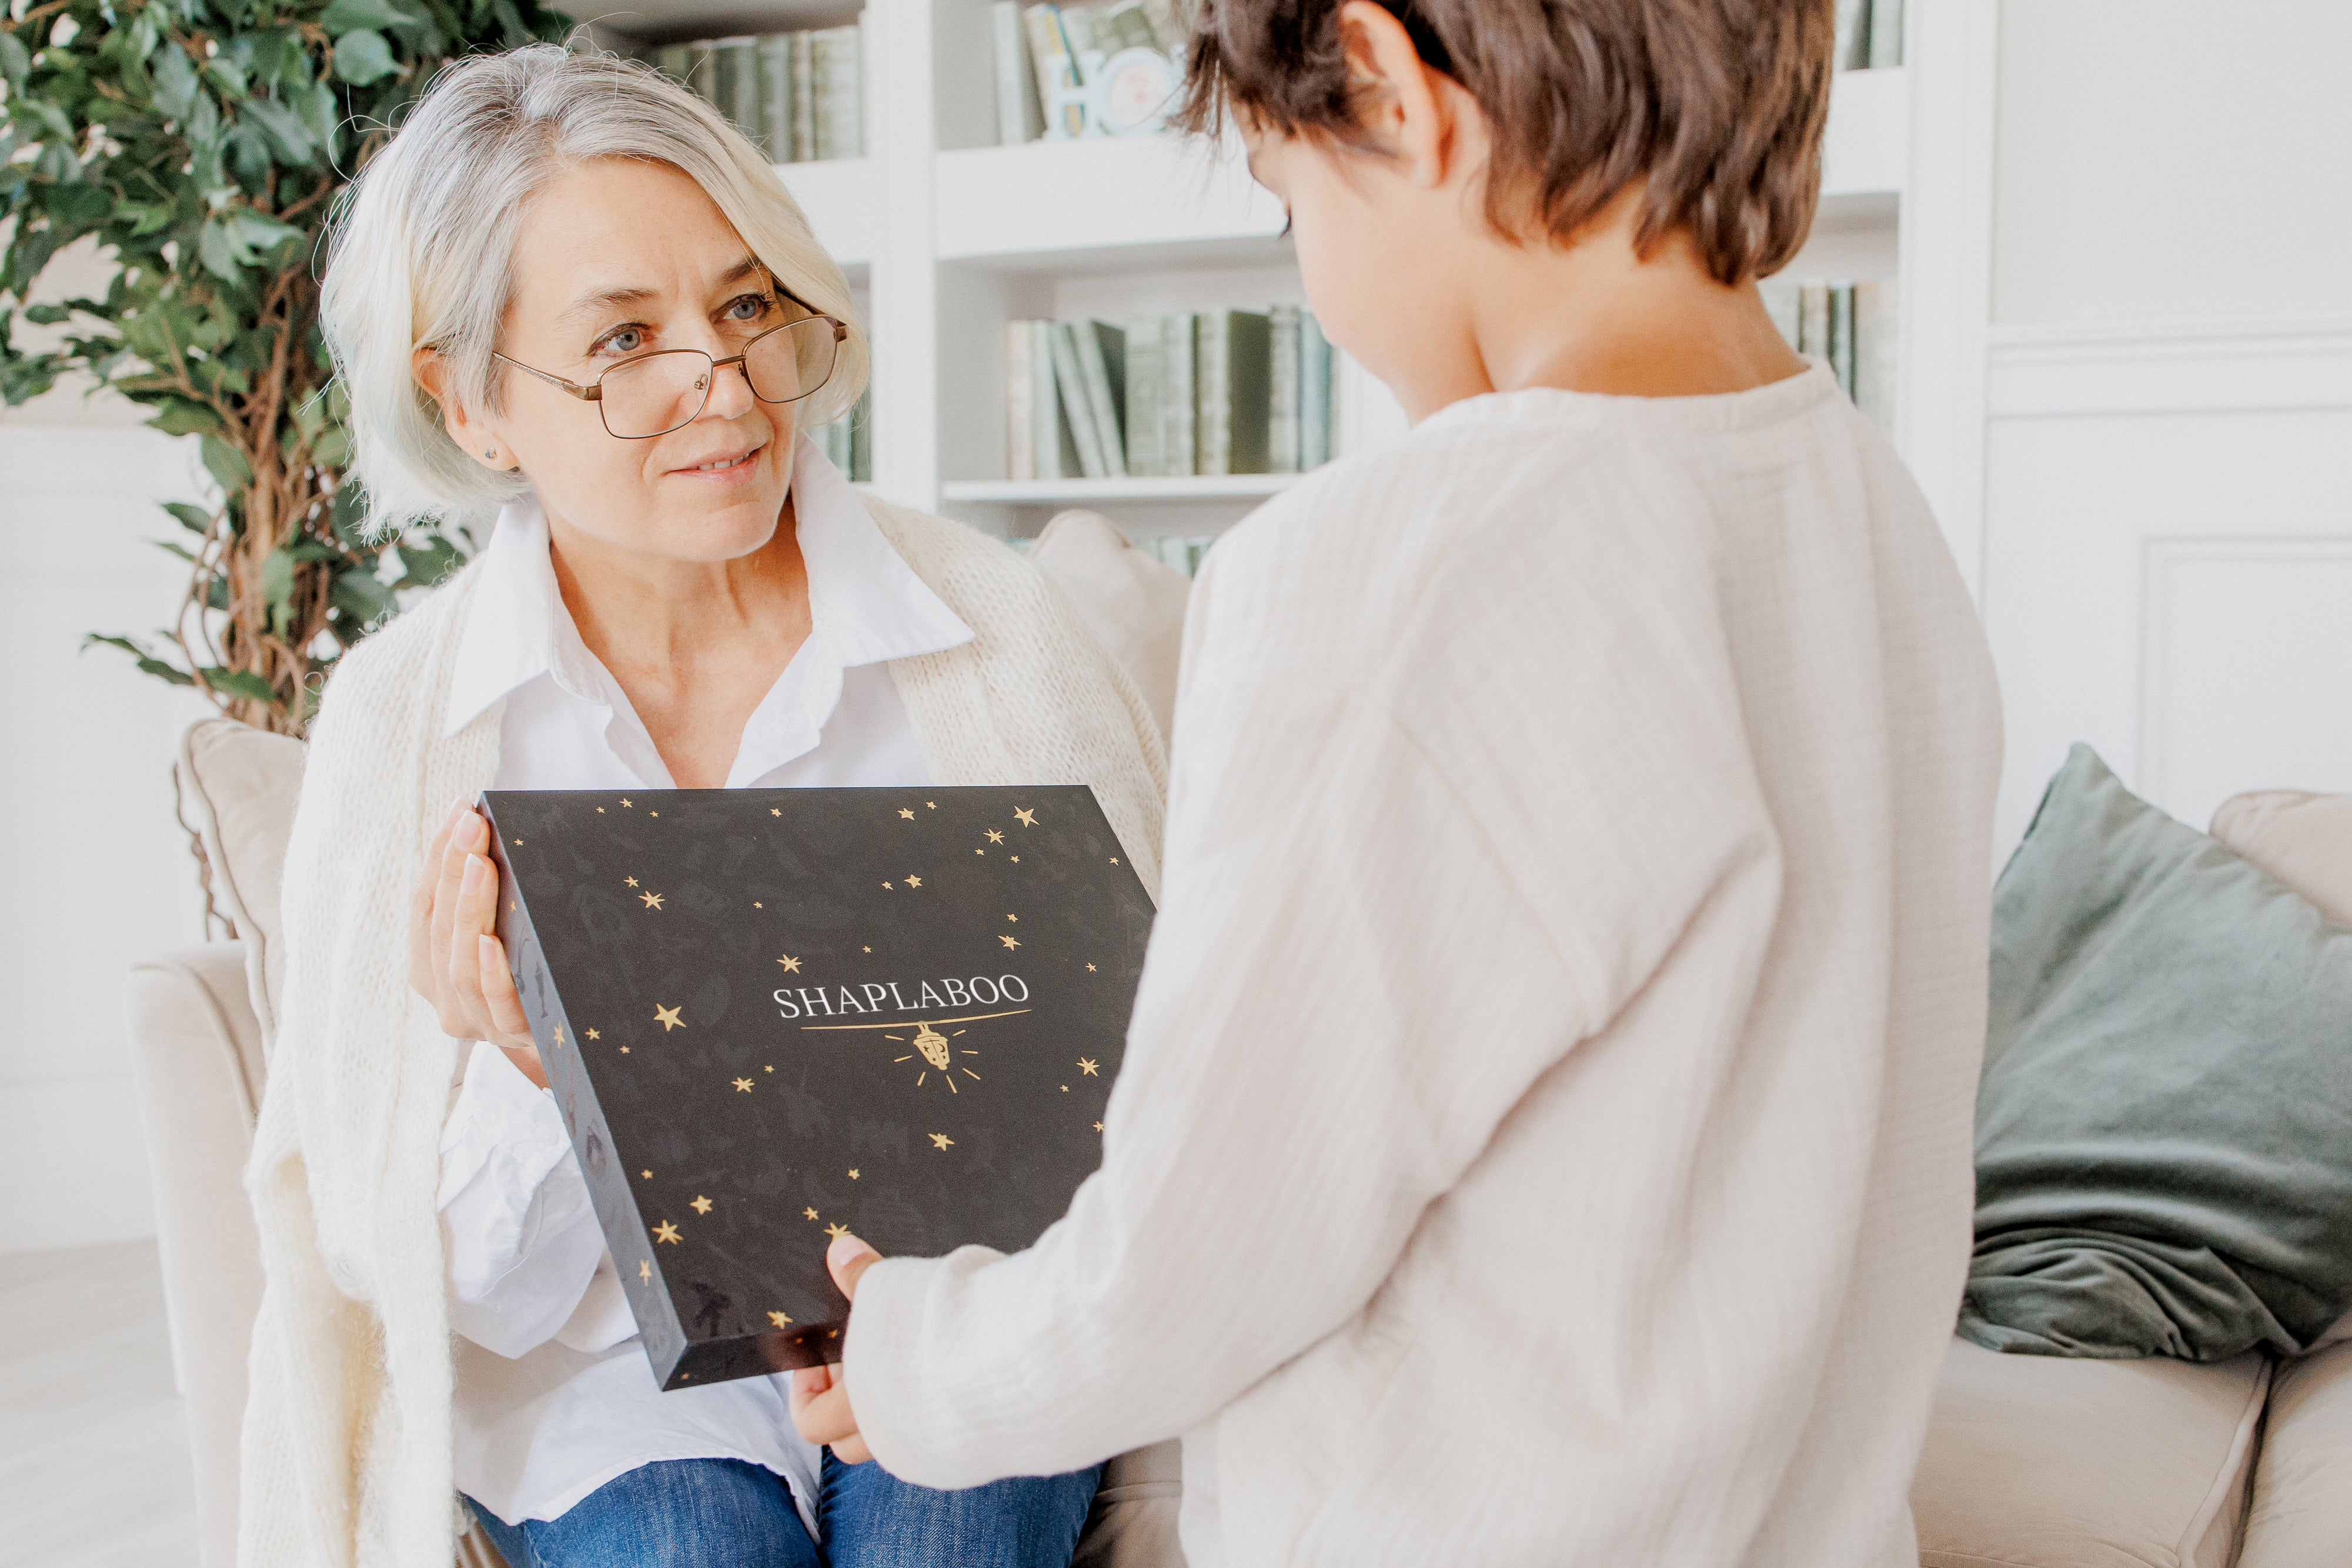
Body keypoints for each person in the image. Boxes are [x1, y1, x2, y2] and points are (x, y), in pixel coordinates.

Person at [790, 1, 2004, 1563]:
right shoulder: (1872, 514)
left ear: (1382, 80)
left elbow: (1200, 1254)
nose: (1311, 273)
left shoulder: (1404, 564)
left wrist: (912, 1355)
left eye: (1291, 201)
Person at [238, 46, 1165, 1568]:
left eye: (746, 307)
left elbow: (1176, 1075)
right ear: (471, 401)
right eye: (624, 338)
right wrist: (546, 1079)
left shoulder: (998, 632)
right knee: (686, 1546)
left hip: (960, 1310)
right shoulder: (405, 724)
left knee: (949, 1508)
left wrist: (967, 1320)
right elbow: (395, 1273)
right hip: (598, 1395)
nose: (722, 380)